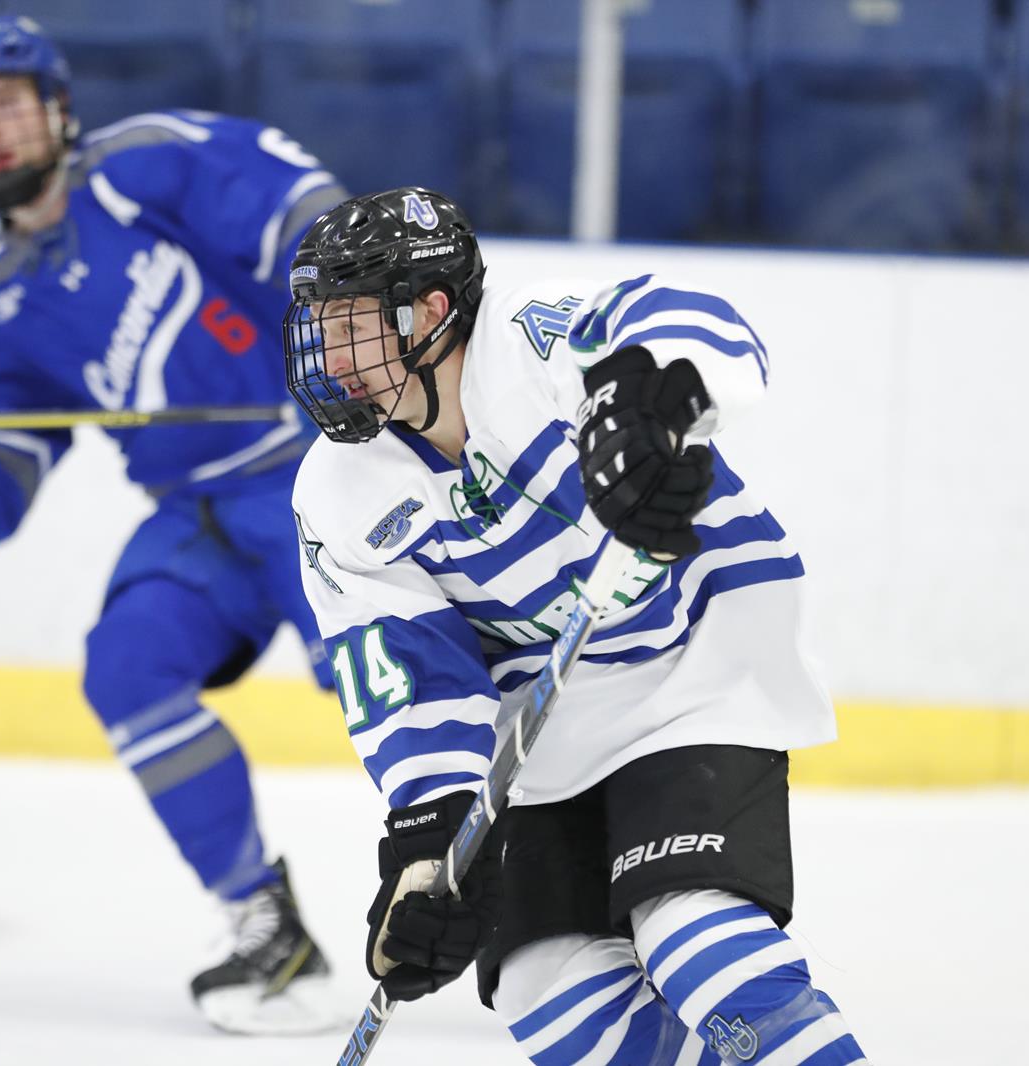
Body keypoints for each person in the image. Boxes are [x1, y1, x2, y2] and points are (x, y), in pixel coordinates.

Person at [0, 15, 349, 1035]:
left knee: (390, 682)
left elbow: (319, 222)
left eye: (6, 103)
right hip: (199, 515)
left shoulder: (145, 165)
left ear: (56, 107)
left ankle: (565, 883)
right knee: (127, 668)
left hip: (327, 470)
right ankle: (264, 923)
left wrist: (351, 360)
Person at [282, 187, 873, 1064]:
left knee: (693, 936)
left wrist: (643, 407)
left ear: (431, 312)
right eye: (320, 327)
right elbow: (415, 684)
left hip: (688, 676)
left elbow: (689, 320)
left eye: (352, 325)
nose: (332, 356)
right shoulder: (336, 492)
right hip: (538, 745)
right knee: (547, 990)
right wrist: (430, 848)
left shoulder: (532, 339)